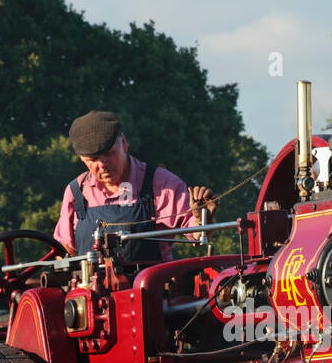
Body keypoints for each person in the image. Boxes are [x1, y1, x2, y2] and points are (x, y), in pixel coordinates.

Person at [54, 110, 218, 262]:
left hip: (151, 291)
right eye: (93, 159)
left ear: (124, 143)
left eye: (109, 154)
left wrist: (202, 219)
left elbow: (198, 233)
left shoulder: (161, 185)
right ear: (82, 159)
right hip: (91, 292)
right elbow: (64, 252)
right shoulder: (76, 192)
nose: (102, 165)